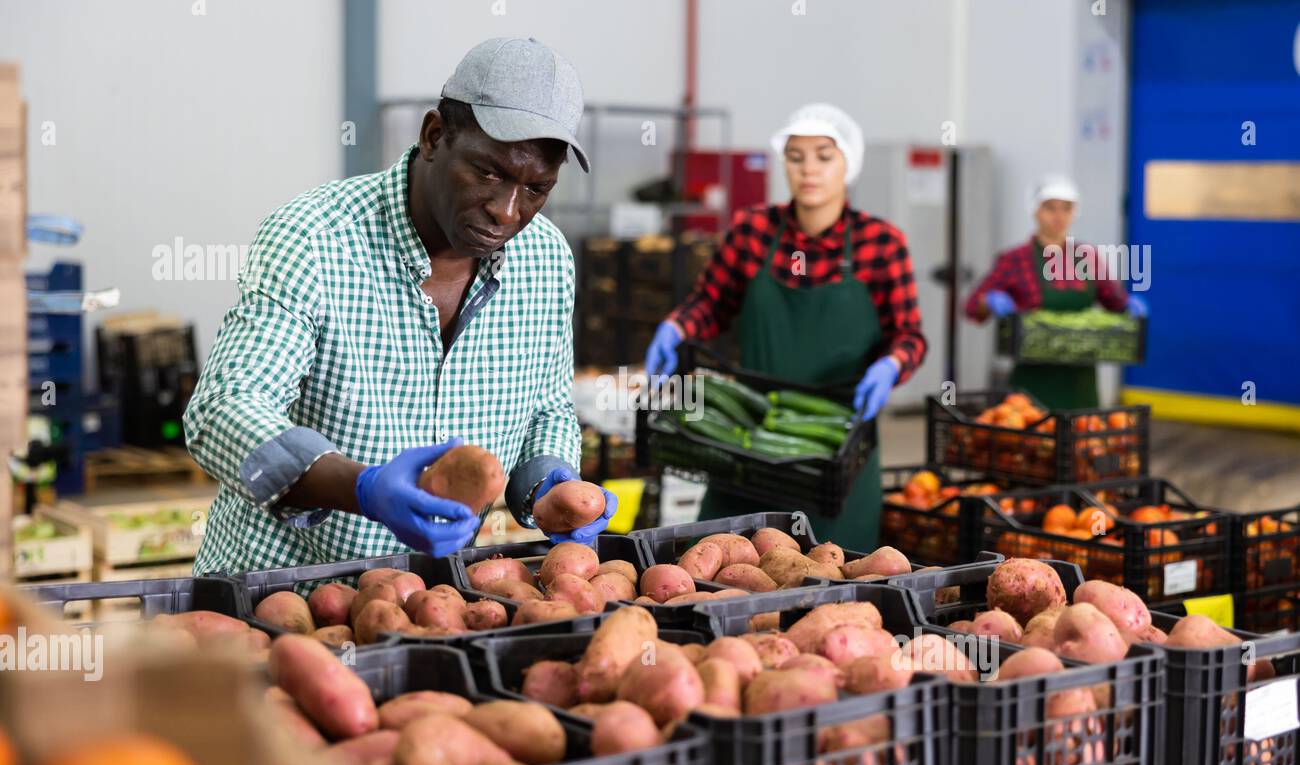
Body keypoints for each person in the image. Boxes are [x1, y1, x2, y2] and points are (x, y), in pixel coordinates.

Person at [184, 38, 615, 576]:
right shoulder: (314, 238)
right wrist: (360, 488)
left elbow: (547, 407)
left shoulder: (546, 258)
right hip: (279, 594)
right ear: (434, 136)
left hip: (430, 606)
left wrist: (550, 478)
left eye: (536, 189)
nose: (507, 211)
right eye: (488, 173)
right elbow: (224, 408)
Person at [643, 103, 926, 550]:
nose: (808, 169)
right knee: (722, 568)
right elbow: (710, 303)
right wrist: (677, 327)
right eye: (796, 157)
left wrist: (892, 364)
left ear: (848, 163)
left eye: (823, 155)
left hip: (838, 450)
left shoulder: (881, 243)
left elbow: (909, 335)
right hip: (751, 441)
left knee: (835, 584)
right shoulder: (753, 230)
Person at [964, 174, 1148, 409]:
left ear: (1074, 213)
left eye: (1066, 209)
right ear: (1035, 211)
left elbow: (1113, 300)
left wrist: (1128, 304)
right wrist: (988, 302)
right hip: (1032, 382)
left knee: (1080, 439)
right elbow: (971, 308)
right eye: (1050, 208)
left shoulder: (1086, 257)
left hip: (1081, 382)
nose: (1058, 216)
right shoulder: (1015, 259)